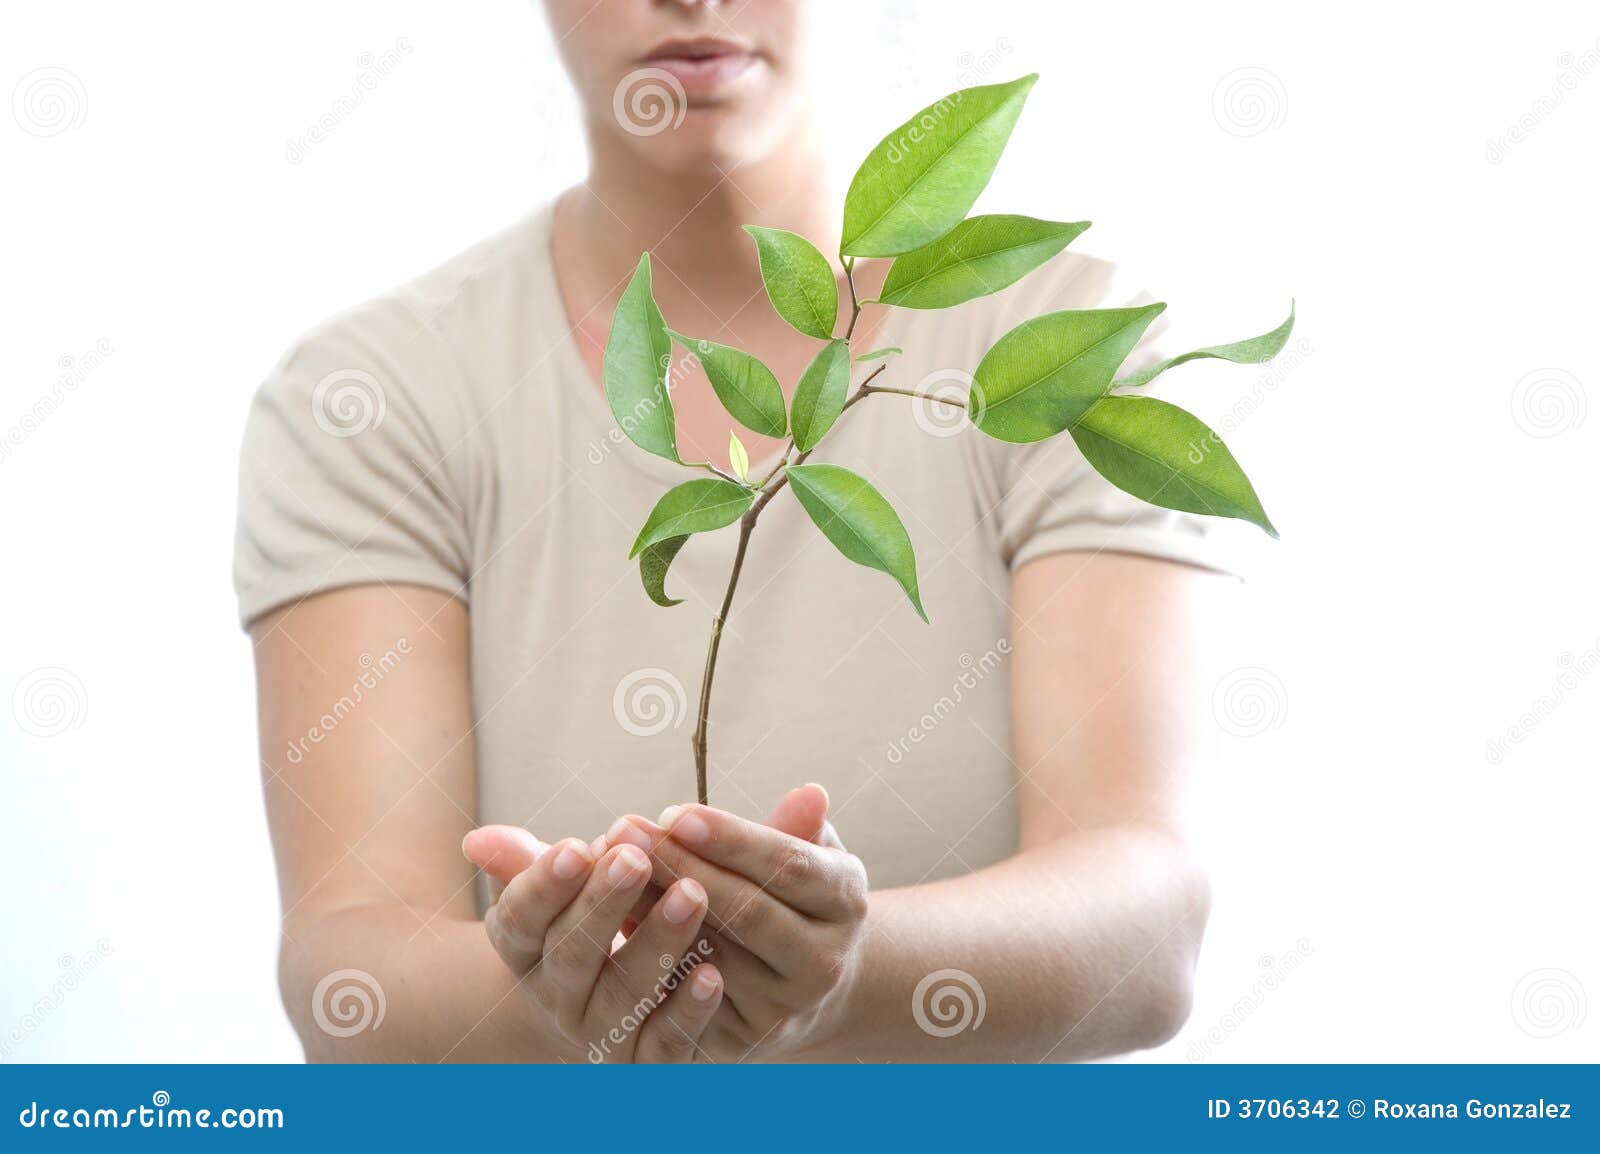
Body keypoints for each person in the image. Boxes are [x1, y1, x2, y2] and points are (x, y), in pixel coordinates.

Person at [236, 0, 1232, 1063]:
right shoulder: (374, 394)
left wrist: (846, 975)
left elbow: (1149, 930)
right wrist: (567, 995)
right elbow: (347, 975)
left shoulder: (1061, 355)